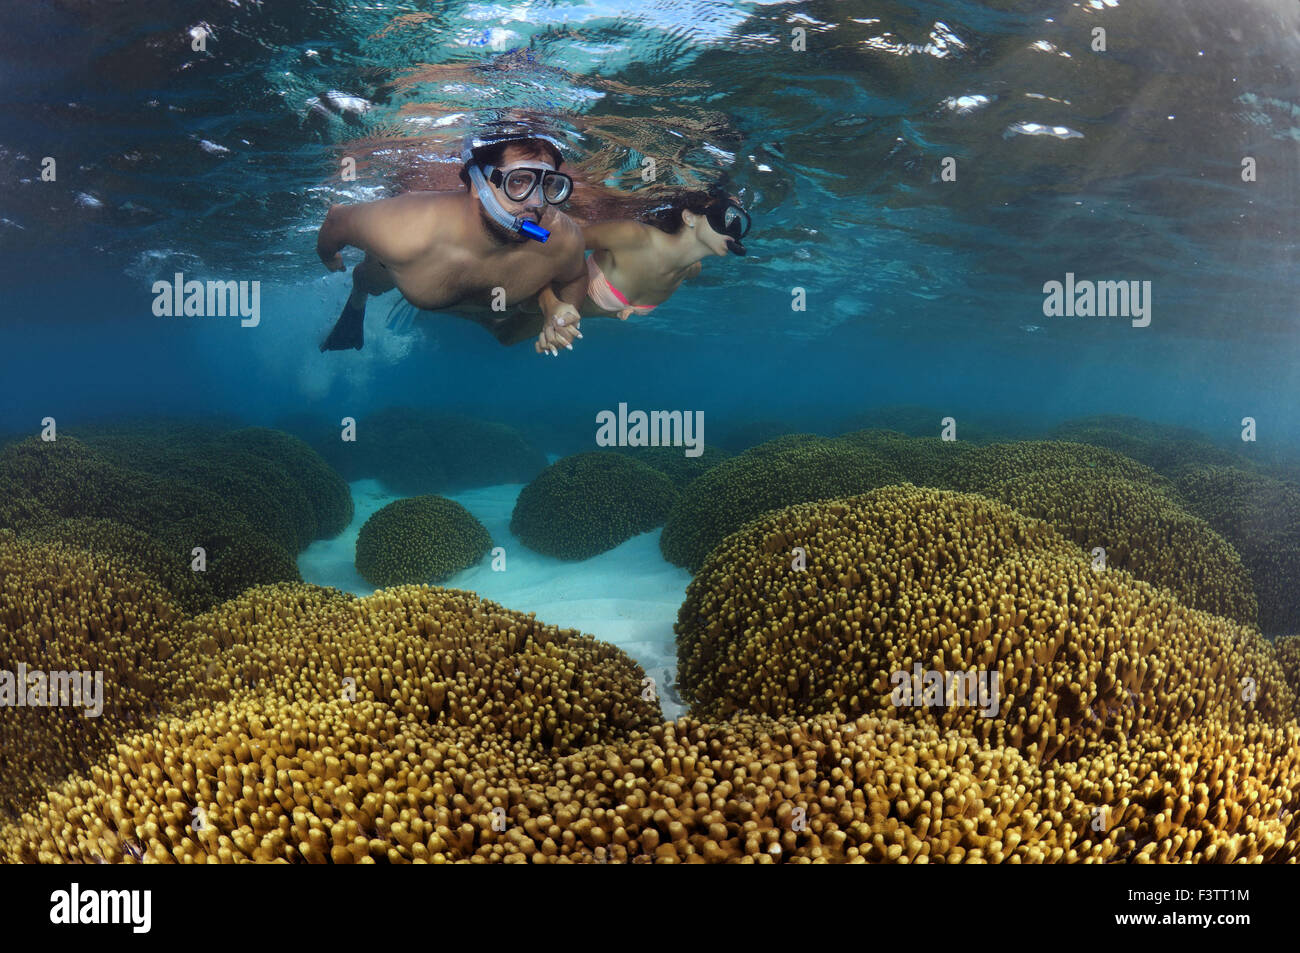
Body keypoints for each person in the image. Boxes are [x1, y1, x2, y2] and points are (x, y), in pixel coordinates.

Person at [315, 129, 587, 355]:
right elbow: (336, 220)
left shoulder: (562, 238)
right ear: (477, 184)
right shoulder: (405, 231)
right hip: (402, 265)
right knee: (371, 280)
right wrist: (329, 257)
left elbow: (574, 277)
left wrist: (564, 311)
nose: (537, 203)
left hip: (481, 305)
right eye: (518, 182)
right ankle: (357, 300)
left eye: (549, 185)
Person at [534, 190, 750, 327]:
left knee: (508, 339)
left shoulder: (692, 270)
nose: (734, 230)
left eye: (738, 223)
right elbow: (550, 243)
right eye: (727, 217)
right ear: (689, 217)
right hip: (536, 301)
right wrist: (550, 304)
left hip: (562, 323)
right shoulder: (632, 236)